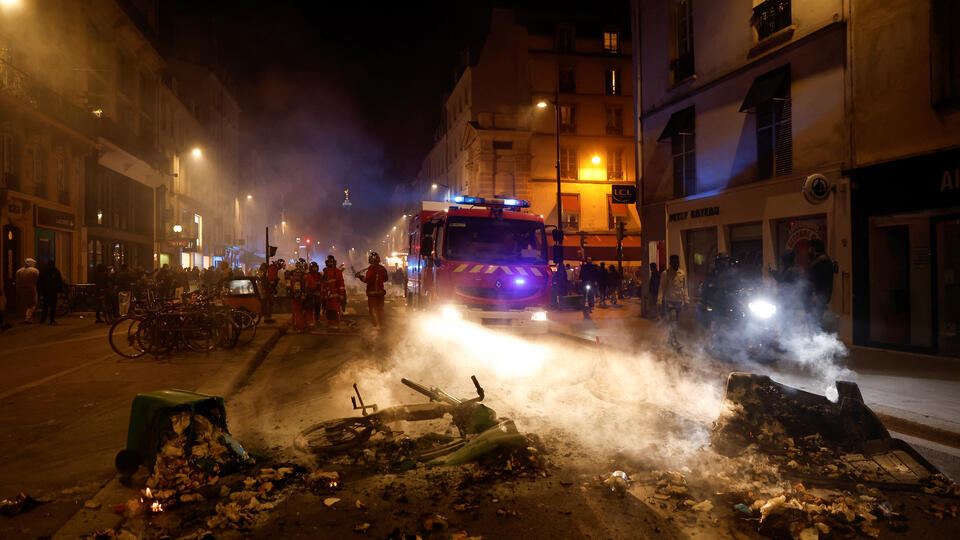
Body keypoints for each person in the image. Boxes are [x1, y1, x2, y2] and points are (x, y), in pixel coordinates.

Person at [658, 255, 688, 350]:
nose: (676, 263)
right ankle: (675, 341)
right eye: (674, 261)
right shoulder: (665, 274)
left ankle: (669, 340)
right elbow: (661, 288)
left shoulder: (682, 273)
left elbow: (685, 288)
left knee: (674, 322)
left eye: (677, 261)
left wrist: (686, 300)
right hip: (669, 301)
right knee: (673, 322)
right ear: (670, 262)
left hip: (679, 301)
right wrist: (659, 301)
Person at [355, 251, 389, 329]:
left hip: (372, 294)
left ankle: (376, 325)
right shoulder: (382, 268)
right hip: (380, 293)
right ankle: (383, 325)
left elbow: (367, 280)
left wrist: (359, 276)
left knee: (373, 309)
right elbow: (386, 279)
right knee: (380, 309)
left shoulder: (371, 269)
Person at [806, 239, 834, 328]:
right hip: (817, 295)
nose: (808, 250)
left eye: (810, 247)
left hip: (818, 296)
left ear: (814, 248)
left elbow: (820, 280)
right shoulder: (819, 260)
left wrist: (815, 294)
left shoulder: (822, 261)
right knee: (813, 320)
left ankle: (816, 340)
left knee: (815, 321)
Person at [321, 255, 346, 330]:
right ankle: (330, 324)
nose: (330, 263)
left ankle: (336, 324)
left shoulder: (337, 271)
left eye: (331, 262)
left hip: (335, 295)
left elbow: (341, 283)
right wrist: (323, 294)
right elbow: (324, 283)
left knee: (335, 310)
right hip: (328, 296)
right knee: (328, 310)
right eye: (329, 262)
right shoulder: (325, 272)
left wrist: (341, 294)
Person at [38, 260, 64, 325]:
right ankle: (52, 319)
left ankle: (43, 318)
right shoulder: (56, 271)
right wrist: (60, 291)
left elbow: (39, 282)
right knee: (53, 306)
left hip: (46, 291)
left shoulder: (43, 271)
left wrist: (40, 290)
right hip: (53, 291)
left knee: (45, 305)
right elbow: (59, 281)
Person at [15, 258, 40, 323]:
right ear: (31, 263)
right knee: (32, 304)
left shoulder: (19, 271)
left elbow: (17, 282)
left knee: (24, 304)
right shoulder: (35, 271)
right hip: (32, 289)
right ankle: (28, 318)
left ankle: (22, 317)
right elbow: (38, 280)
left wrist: (17, 290)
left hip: (22, 289)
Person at [289, 259, 310, 331]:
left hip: (294, 296)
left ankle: (297, 325)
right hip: (300, 296)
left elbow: (290, 285)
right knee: (300, 312)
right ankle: (300, 327)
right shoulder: (303, 275)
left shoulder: (293, 274)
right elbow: (305, 286)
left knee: (296, 311)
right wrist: (304, 294)